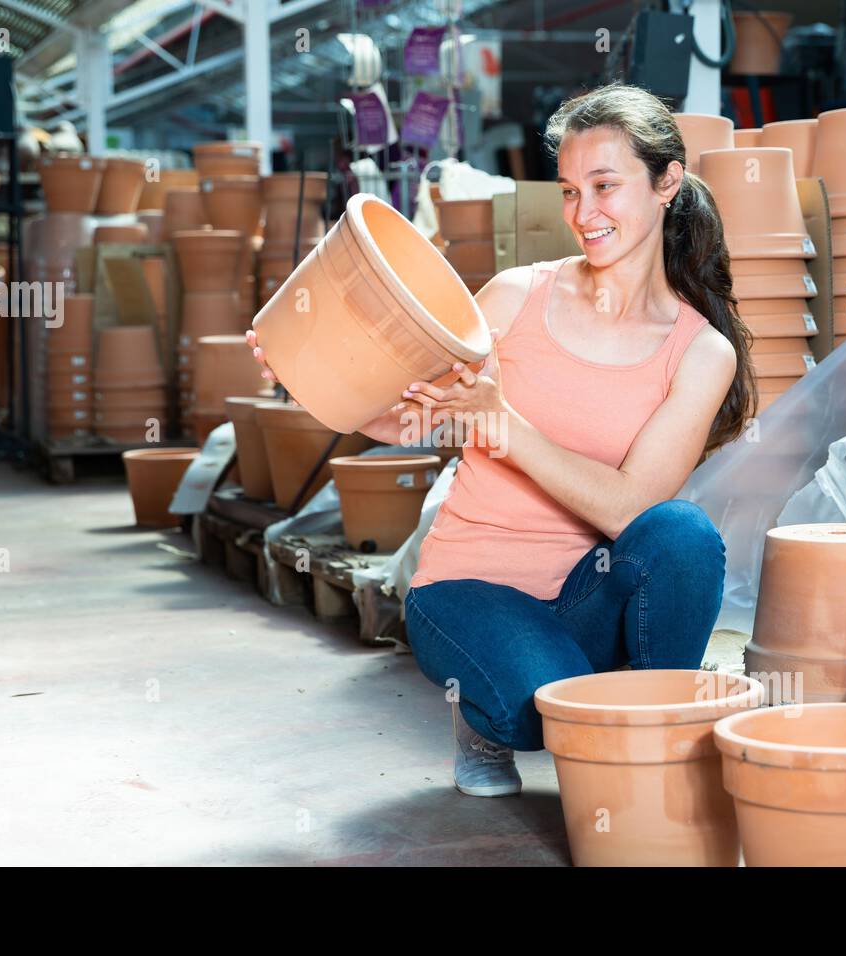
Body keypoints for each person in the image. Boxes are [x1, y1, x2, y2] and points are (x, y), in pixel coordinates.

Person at [249, 82, 755, 798]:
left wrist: (505, 426)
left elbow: (630, 511)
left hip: (589, 597)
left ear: (666, 182)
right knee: (544, 715)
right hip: (472, 589)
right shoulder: (519, 296)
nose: (584, 213)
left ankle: (653, 726)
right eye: (570, 190)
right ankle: (493, 721)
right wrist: (316, 374)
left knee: (681, 534)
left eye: (605, 186)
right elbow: (415, 416)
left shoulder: (702, 352)